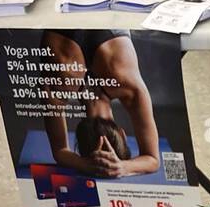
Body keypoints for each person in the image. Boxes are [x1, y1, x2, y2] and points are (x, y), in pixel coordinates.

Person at [40, 29, 160, 178]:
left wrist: (123, 167)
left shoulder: (127, 85)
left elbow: (153, 160)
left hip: (109, 28)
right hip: (64, 31)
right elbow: (60, 152)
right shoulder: (58, 87)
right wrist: (85, 164)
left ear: (122, 133)